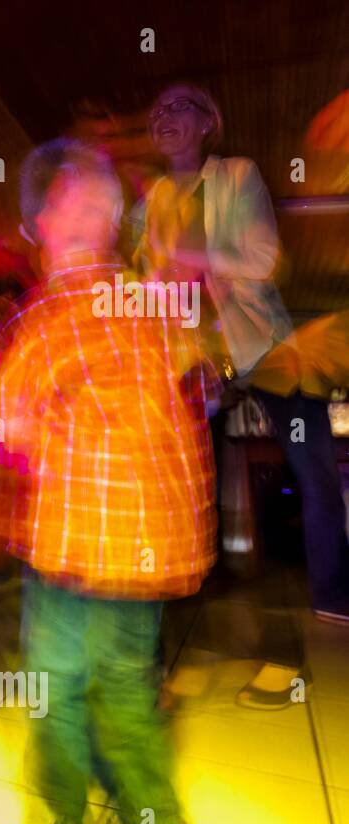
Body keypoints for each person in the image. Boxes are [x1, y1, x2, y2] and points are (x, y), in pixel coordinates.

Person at [0, 140, 215, 824]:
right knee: (125, 684)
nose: (76, 218)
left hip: (74, 542)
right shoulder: (149, 307)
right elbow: (186, 407)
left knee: (56, 685)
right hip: (142, 542)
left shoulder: (44, 312)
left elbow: (10, 418)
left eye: (85, 207)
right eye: (70, 206)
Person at [135, 83, 349, 708]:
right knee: (195, 491)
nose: (163, 117)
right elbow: (154, 283)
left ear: (210, 123)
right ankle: (192, 646)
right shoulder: (154, 197)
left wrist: (193, 253)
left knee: (309, 479)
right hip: (197, 360)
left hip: (268, 354)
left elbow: (261, 258)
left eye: (178, 107)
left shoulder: (237, 174)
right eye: (156, 110)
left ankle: (331, 597)